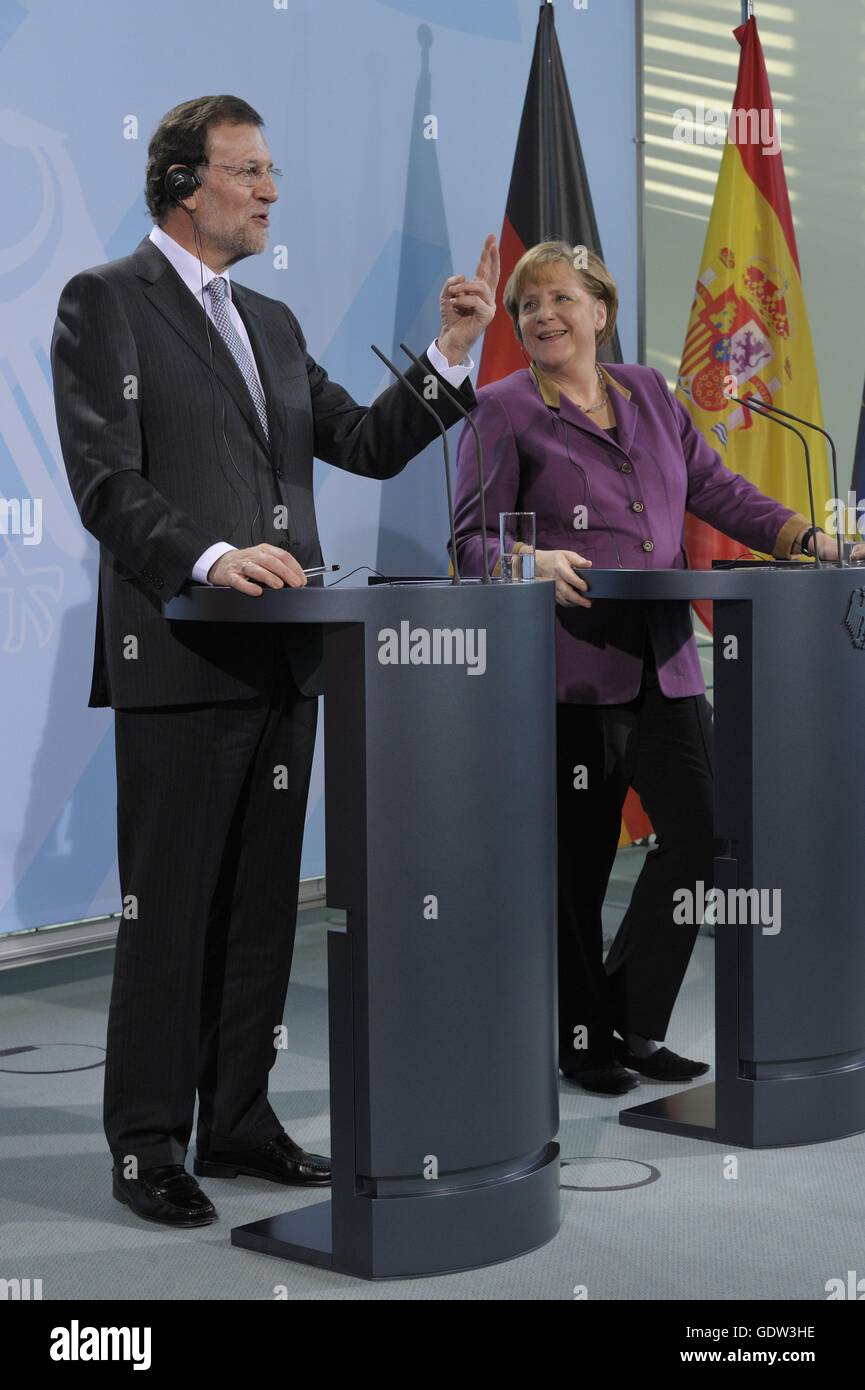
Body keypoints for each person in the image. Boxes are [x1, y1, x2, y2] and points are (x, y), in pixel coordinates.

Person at [51, 94, 498, 1225]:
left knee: (257, 913)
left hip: (286, 664)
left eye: (270, 170)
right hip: (183, 656)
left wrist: (451, 351)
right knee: (172, 916)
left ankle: (238, 1117)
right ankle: (146, 1141)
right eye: (250, 172)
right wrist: (207, 556)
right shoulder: (104, 300)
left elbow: (360, 440)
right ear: (184, 184)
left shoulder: (278, 322)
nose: (271, 191)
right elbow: (106, 482)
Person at [450, 239, 839, 1097]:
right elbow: (469, 544)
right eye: (526, 306)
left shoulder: (653, 395)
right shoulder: (502, 408)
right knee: (578, 870)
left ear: (600, 310)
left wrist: (809, 538)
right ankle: (585, 1042)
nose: (541, 317)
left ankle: (632, 1019)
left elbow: (719, 492)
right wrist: (530, 563)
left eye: (557, 298)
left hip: (665, 666)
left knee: (701, 841)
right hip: (564, 674)